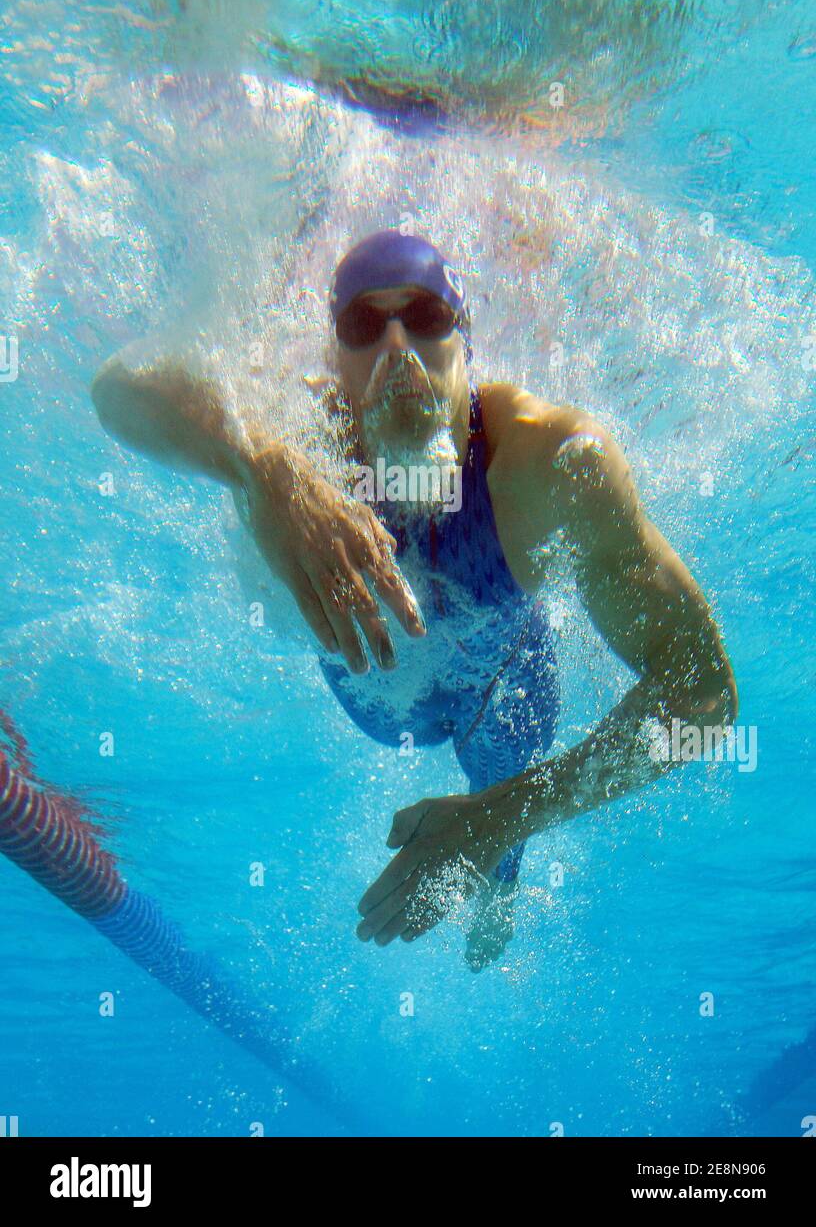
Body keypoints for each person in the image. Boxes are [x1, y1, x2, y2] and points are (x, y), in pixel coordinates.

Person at [91, 229, 738, 970]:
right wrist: (263, 470)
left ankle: (498, 894)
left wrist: (498, 818)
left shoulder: (545, 463)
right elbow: (116, 388)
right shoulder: (301, 440)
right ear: (334, 358)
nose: (397, 349)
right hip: (373, 696)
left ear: (465, 339)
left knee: (500, 823)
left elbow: (705, 697)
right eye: (363, 327)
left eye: (425, 318)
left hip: (505, 689)